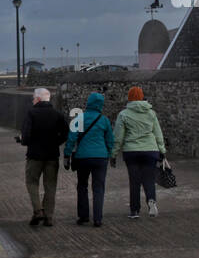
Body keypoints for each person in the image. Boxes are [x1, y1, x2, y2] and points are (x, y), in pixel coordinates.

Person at [111, 86, 166, 219]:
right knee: (149, 179)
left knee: (134, 181)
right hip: (150, 150)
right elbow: (158, 133)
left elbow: (118, 137)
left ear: (129, 98)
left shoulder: (123, 114)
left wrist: (113, 154)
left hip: (132, 151)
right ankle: (151, 200)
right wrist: (162, 150)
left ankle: (134, 210)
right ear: (142, 96)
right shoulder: (151, 113)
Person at [18, 87, 69, 227]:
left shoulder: (31, 113)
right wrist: (55, 143)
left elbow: (26, 135)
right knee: (50, 185)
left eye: (33, 98)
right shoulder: (57, 114)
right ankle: (48, 216)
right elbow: (65, 133)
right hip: (52, 155)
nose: (33, 100)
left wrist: (25, 142)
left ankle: (38, 210)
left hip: (34, 155)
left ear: (38, 99)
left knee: (31, 182)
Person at [63, 91, 114, 227]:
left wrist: (67, 155)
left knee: (82, 186)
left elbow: (71, 139)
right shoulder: (104, 120)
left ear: (88, 103)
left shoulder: (79, 118)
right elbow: (110, 140)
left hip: (83, 157)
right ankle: (98, 218)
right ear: (100, 105)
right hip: (100, 157)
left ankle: (84, 216)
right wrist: (110, 154)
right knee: (98, 188)